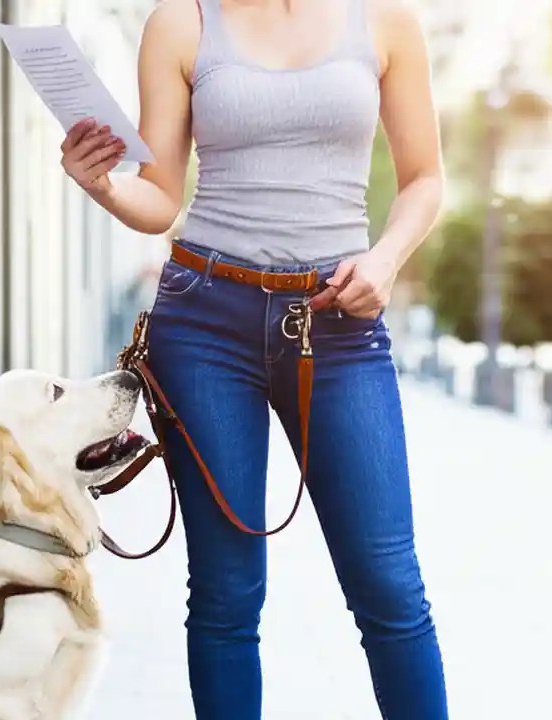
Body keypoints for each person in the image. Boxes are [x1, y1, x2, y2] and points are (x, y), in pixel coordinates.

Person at [59, 0, 447, 717]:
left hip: (338, 326)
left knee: (389, 583)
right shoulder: (182, 22)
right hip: (206, 323)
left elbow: (425, 177)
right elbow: (161, 199)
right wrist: (105, 182)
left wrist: (386, 261)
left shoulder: (386, 19)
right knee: (225, 593)